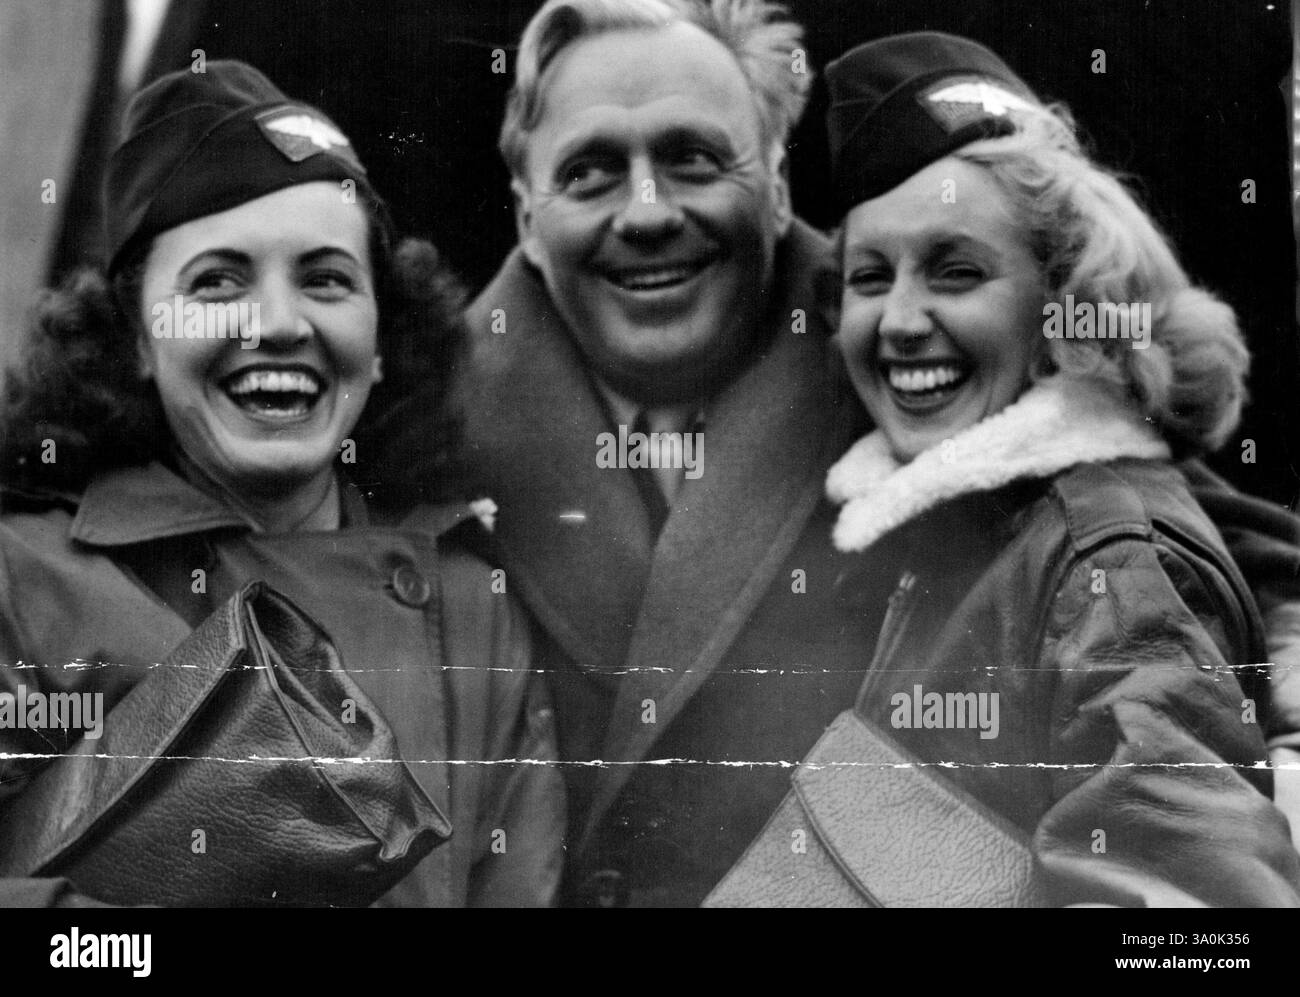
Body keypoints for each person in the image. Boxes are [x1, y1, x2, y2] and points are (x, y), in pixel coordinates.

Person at [372, 0, 1300, 907]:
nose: (647, 213)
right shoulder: (410, 418)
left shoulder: (895, 346)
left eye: (694, 158)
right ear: (526, 216)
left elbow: (1175, 545)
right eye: (590, 173)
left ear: (776, 186)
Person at [0, 61, 563, 907]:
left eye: (326, 279)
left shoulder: (474, 606)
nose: (276, 324)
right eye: (217, 281)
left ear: (381, 338)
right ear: (139, 341)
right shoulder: (22, 580)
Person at [784, 31, 1299, 905]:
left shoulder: (1106, 564)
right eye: (871, 278)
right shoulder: (980, 522)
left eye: (956, 271)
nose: (901, 320)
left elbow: (1189, 926)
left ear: (1065, 308)